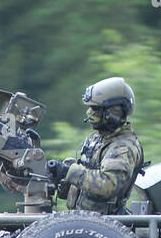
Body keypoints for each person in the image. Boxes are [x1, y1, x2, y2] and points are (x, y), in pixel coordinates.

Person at [61, 77, 144, 214]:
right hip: (84, 220)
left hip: (103, 224)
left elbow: (108, 184)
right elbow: (84, 182)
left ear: (114, 112)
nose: (89, 113)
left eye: (95, 109)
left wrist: (70, 172)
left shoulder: (123, 147)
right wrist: (61, 173)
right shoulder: (99, 139)